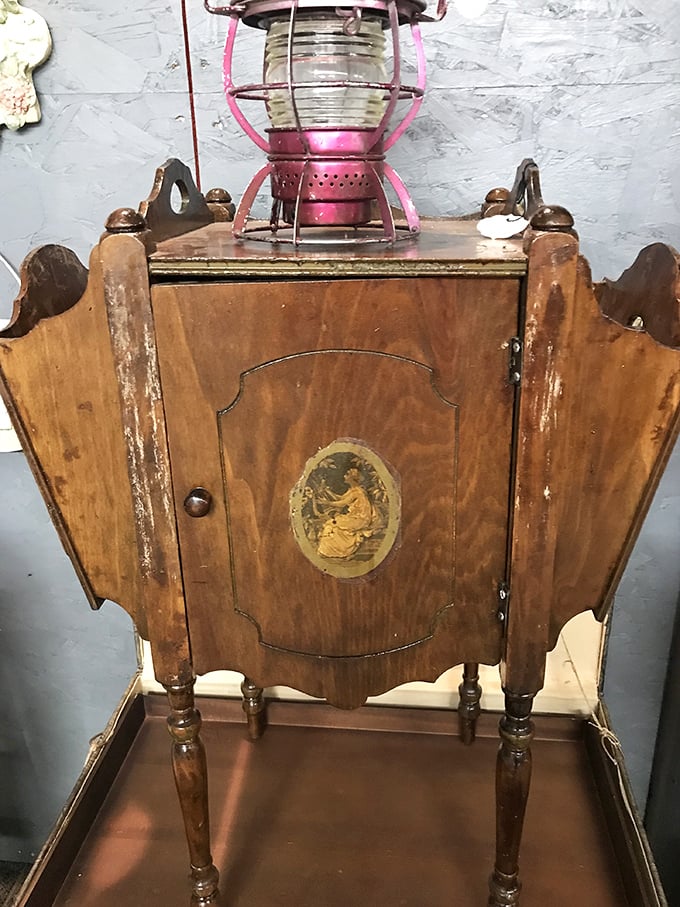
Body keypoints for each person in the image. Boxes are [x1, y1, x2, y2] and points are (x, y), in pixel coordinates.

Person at [316, 467, 375, 559]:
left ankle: (343, 551)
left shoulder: (358, 491)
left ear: (352, 478)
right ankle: (330, 550)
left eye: (347, 474)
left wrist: (326, 503)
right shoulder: (352, 490)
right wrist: (328, 492)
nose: (344, 476)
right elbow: (340, 498)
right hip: (354, 517)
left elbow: (341, 504)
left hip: (360, 519)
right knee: (333, 523)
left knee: (334, 523)